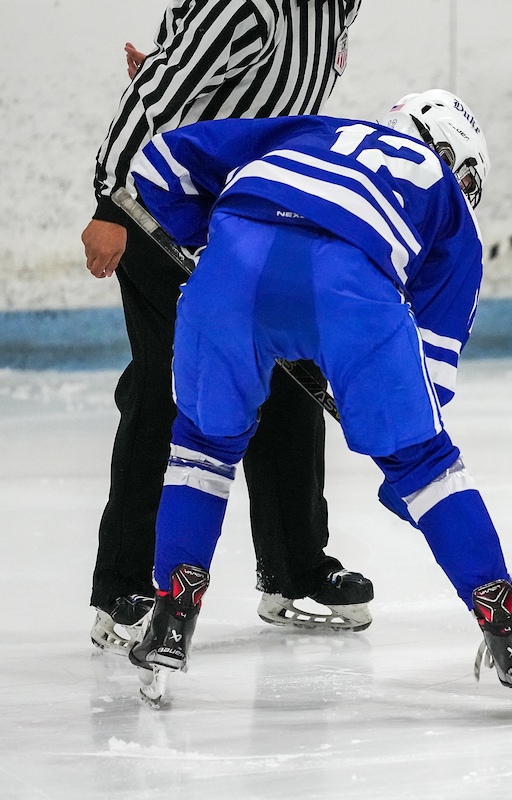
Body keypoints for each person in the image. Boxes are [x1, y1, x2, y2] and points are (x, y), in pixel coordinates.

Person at [123, 90, 512, 707]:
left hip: (232, 264)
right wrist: (408, 475)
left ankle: (172, 613)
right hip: (349, 284)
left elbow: (160, 163)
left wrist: (206, 240)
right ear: (450, 154)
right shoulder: (448, 201)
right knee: (428, 466)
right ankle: (505, 627)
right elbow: (433, 375)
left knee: (203, 448)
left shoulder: (313, 128)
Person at [81, 0, 372, 653]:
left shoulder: (336, 9)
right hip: (158, 209)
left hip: (243, 216)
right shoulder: (253, 6)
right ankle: (126, 587)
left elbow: (183, 56)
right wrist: (108, 207)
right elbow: (155, 95)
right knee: (169, 385)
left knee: (292, 376)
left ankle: (294, 572)